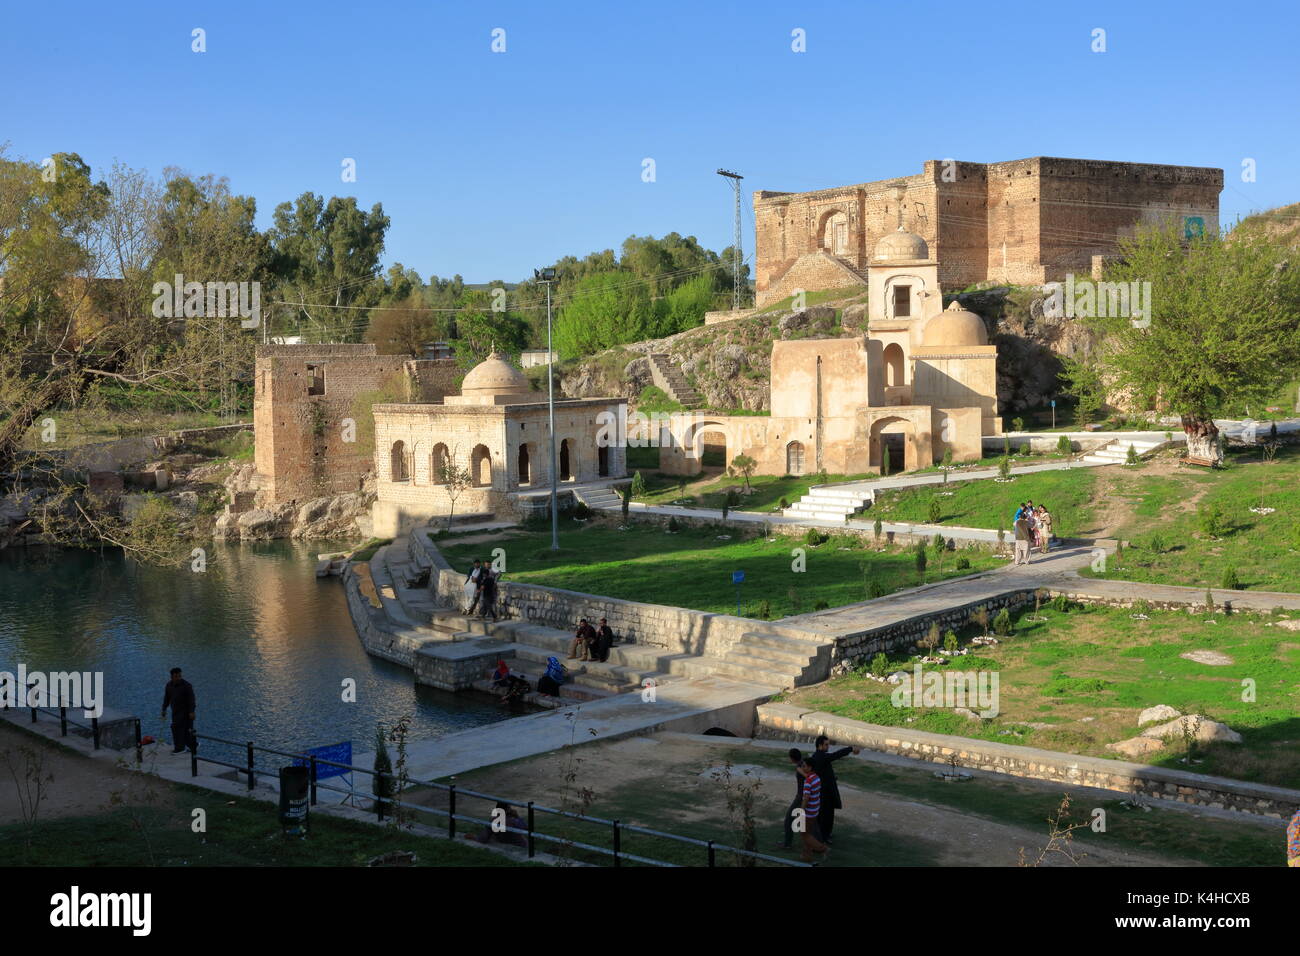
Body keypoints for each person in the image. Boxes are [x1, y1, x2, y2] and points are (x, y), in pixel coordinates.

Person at [806, 734, 859, 843]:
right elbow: (836, 755)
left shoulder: (818, 756)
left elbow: (822, 772)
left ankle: (824, 835)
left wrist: (832, 777)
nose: (828, 747)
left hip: (825, 791)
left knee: (826, 815)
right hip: (825, 793)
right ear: (820, 745)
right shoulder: (821, 756)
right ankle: (823, 837)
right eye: (826, 745)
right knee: (826, 815)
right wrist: (850, 749)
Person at [798, 757, 829, 864]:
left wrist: (801, 811)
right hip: (815, 810)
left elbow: (806, 798)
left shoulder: (808, 781)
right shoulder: (816, 777)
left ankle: (823, 848)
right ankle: (806, 856)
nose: (802, 767)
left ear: (810, 767)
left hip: (808, 812)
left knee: (804, 835)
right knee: (808, 833)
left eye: (804, 766)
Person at [160, 667, 196, 755]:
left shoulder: (187, 685)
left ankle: (180, 748)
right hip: (175, 712)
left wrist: (192, 711)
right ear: (171, 677)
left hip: (186, 712)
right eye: (176, 676)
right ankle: (193, 746)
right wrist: (164, 709)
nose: (178, 678)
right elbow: (167, 698)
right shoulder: (169, 685)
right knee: (180, 730)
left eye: (180, 676)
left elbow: (192, 700)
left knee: (180, 729)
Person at [777, 747, 805, 850]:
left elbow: (808, 776)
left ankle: (787, 844)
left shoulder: (801, 767)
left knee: (789, 819)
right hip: (803, 795)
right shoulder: (803, 763)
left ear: (792, 759)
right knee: (806, 821)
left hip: (802, 796)